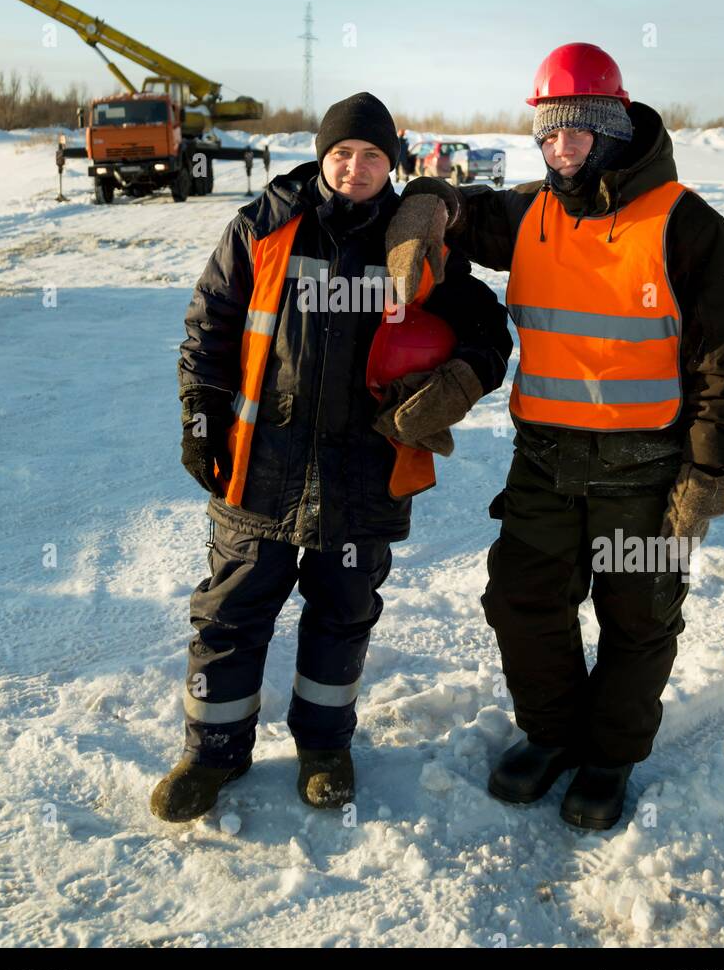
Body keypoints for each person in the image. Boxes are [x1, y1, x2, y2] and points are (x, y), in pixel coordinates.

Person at [385, 43, 724, 830]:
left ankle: (610, 755)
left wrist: (708, 475)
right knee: (522, 601)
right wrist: (427, 201)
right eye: (548, 136)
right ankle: (553, 735)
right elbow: (461, 207)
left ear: (612, 128)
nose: (559, 150)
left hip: (647, 471)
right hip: (545, 465)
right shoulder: (531, 211)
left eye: (574, 135)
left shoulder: (686, 224)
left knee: (638, 614)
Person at [150, 92, 512, 822]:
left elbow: (487, 328)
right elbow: (209, 325)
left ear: (393, 164)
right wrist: (199, 414)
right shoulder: (266, 224)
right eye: (343, 153)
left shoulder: (413, 243)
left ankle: (324, 746)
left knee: (343, 613)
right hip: (260, 466)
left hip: (365, 470)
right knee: (231, 613)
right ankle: (211, 752)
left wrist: (464, 378)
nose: (356, 167)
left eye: (373, 156)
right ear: (323, 156)